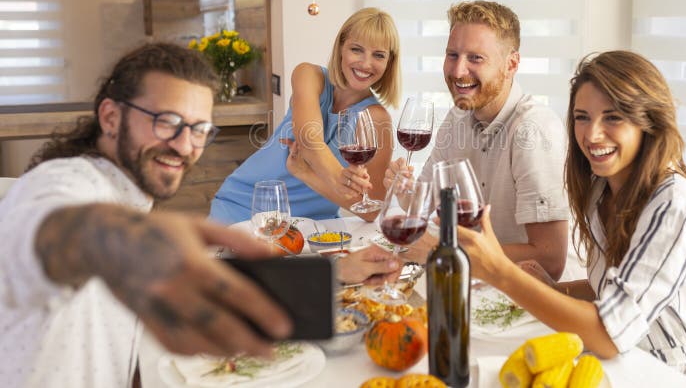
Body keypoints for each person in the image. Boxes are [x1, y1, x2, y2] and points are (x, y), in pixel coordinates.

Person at [0, 43, 400, 388]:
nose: (184, 145)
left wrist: (334, 272)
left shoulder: (127, 197)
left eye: (198, 129)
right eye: (167, 122)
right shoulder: (64, 183)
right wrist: (136, 242)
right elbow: (56, 228)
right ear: (110, 118)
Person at [458, 51, 686, 387]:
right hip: (624, 368)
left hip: (675, 376)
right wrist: (555, 289)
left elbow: (608, 333)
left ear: (648, 121)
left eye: (613, 117)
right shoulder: (601, 190)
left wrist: (500, 272)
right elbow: (610, 287)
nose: (592, 134)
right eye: (582, 117)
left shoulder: (673, 202)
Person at [384, 0, 569, 279]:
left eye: (476, 58)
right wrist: (403, 189)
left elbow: (550, 260)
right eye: (452, 55)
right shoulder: (458, 117)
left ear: (511, 64)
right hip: (478, 281)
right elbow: (422, 205)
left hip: (531, 294)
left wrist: (442, 250)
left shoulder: (533, 130)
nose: (458, 71)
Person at [211, 7, 401, 224]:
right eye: (356, 49)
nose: (366, 64)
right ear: (341, 48)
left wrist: (305, 174)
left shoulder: (377, 119)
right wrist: (341, 179)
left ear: (389, 62)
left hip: (313, 224)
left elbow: (371, 210)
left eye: (378, 55)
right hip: (244, 204)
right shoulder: (309, 75)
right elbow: (310, 140)